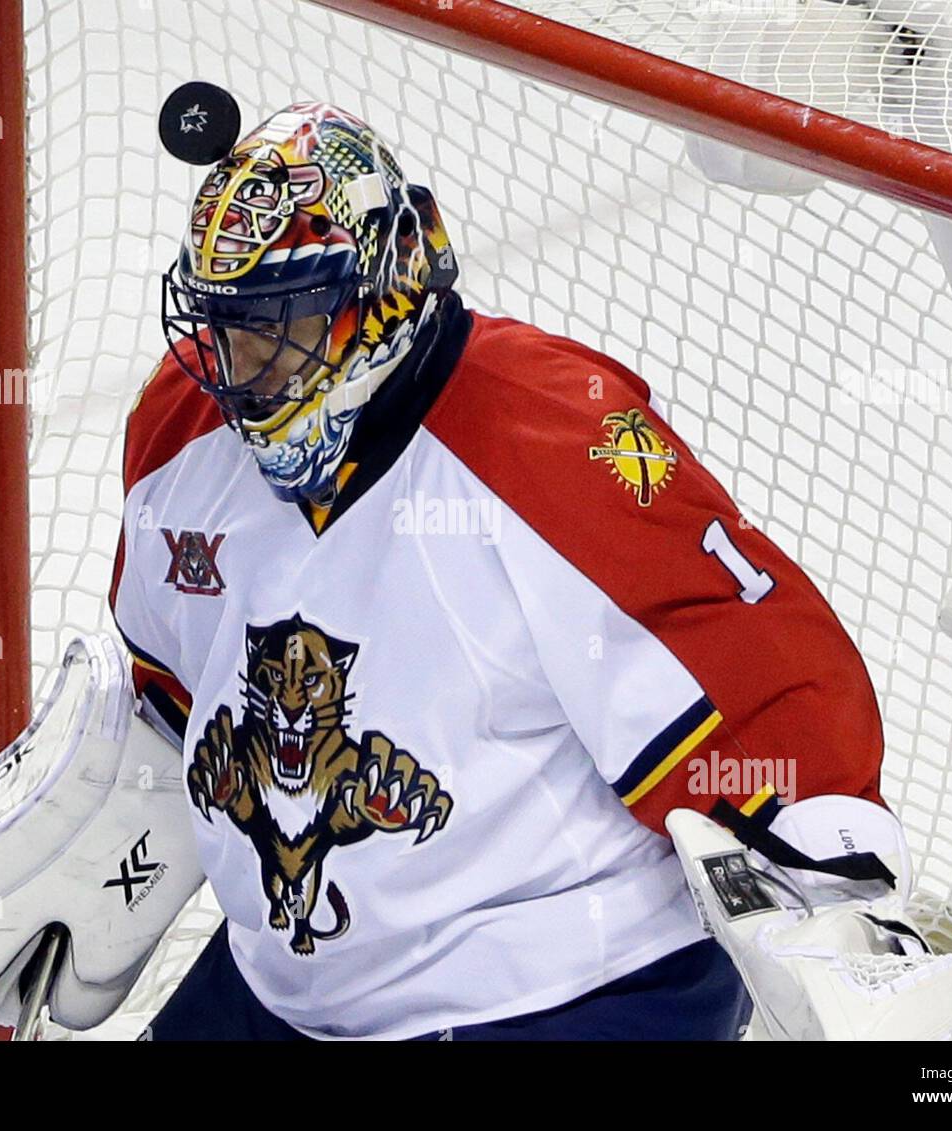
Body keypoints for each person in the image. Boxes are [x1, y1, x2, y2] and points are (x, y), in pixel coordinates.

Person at [108, 99, 885, 1041]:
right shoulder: (181, 427)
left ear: (381, 289)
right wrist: (93, 846)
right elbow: (173, 695)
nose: (244, 370)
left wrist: (840, 902)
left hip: (567, 996)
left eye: (283, 324)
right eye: (226, 326)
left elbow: (754, 676)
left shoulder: (549, 440)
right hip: (290, 990)